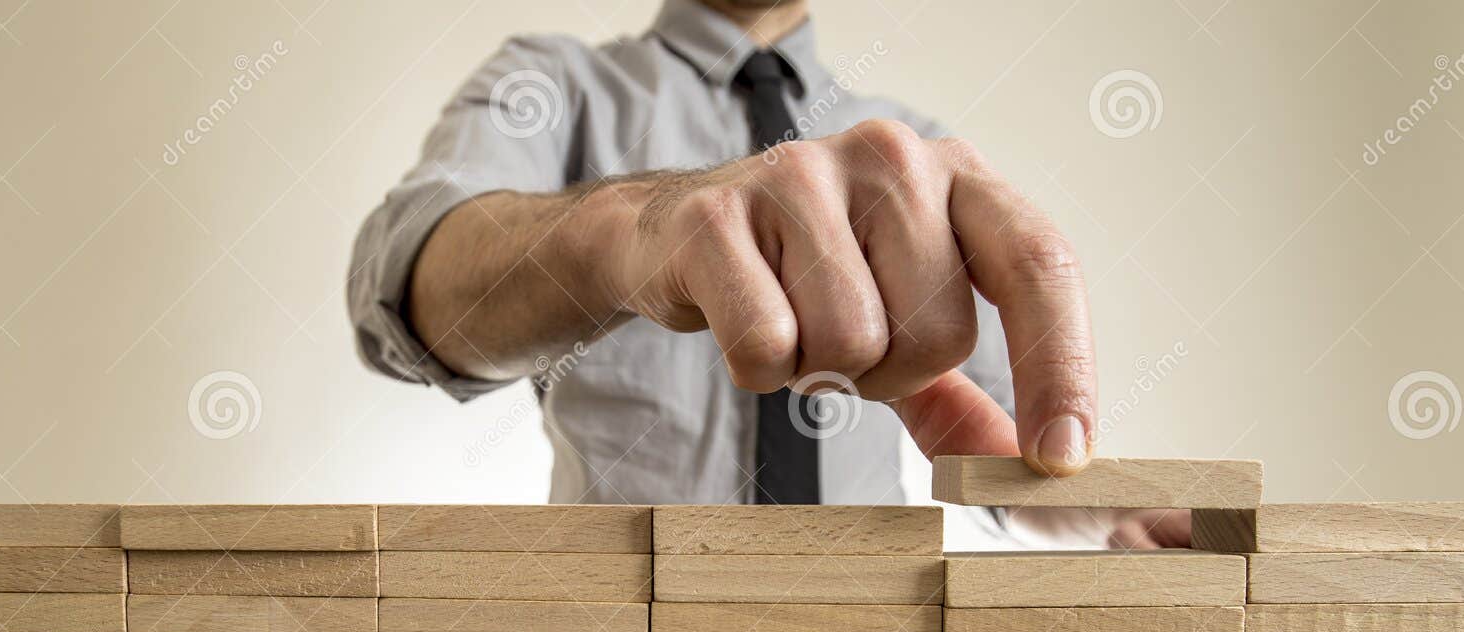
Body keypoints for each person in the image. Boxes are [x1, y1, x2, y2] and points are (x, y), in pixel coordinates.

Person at [348, 0, 1187, 547]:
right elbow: (406, 287)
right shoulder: (555, 84)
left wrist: (1115, 512)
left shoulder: (913, 148)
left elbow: (1000, 443)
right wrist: (626, 233)